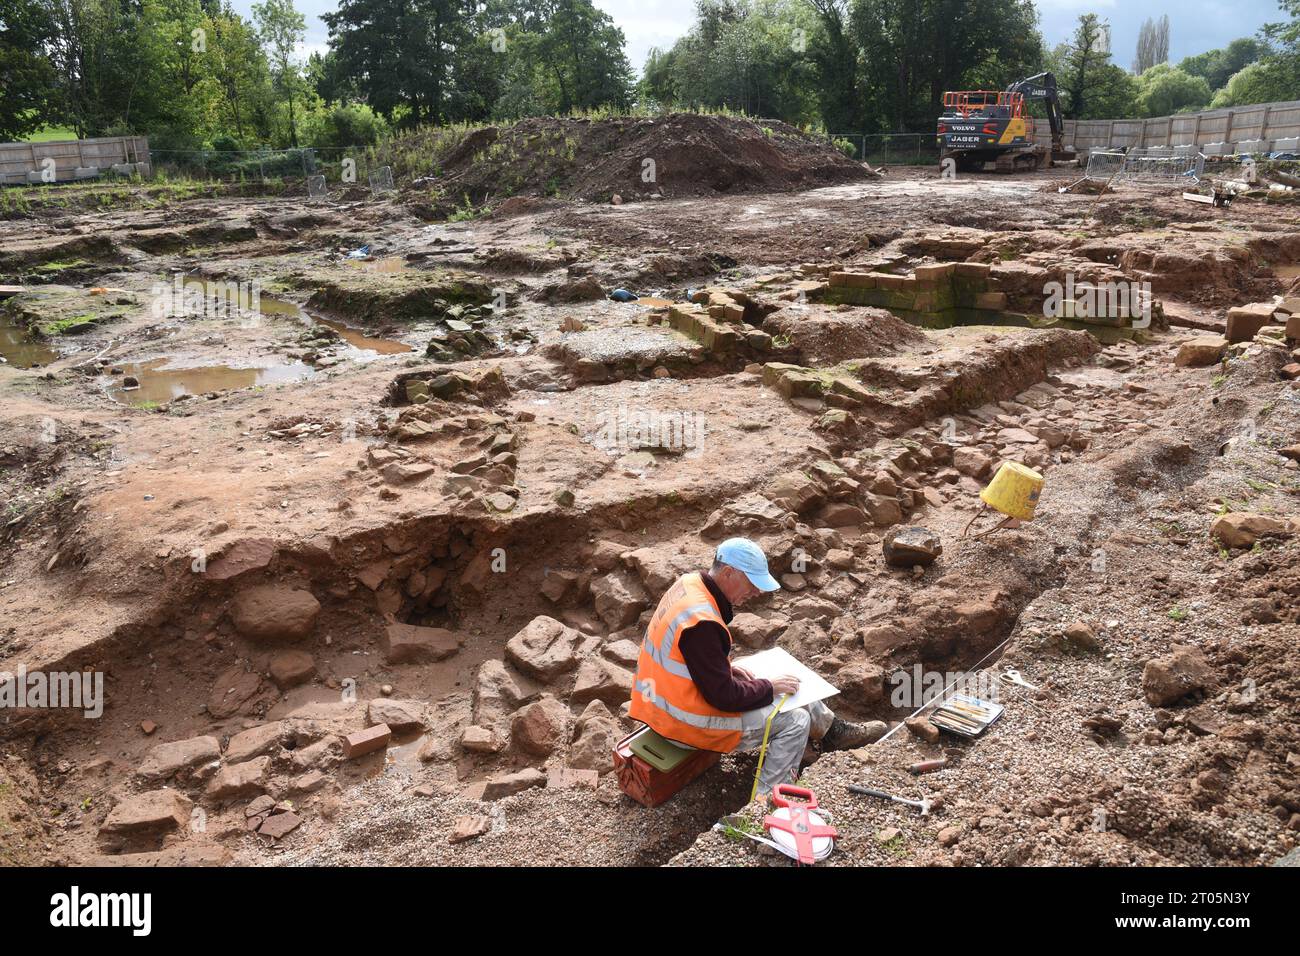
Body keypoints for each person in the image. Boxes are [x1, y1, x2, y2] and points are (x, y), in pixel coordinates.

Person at [628, 536, 882, 800]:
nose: (756, 592)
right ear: (728, 573)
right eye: (752, 582)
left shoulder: (690, 584)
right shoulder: (701, 623)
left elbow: (688, 658)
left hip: (664, 702)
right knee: (795, 720)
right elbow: (723, 697)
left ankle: (833, 733)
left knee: (787, 685)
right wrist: (767, 687)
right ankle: (766, 802)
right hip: (682, 723)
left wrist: (730, 671)